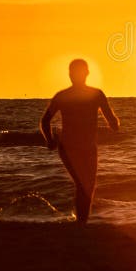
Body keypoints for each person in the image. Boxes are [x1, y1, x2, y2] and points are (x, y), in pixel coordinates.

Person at [40, 59, 119, 224]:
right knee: (83, 185)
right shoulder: (68, 96)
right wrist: (50, 141)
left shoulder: (89, 94)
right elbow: (45, 121)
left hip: (88, 148)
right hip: (69, 148)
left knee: (87, 187)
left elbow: (45, 121)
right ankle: (81, 223)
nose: (75, 76)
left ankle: (81, 221)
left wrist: (113, 124)